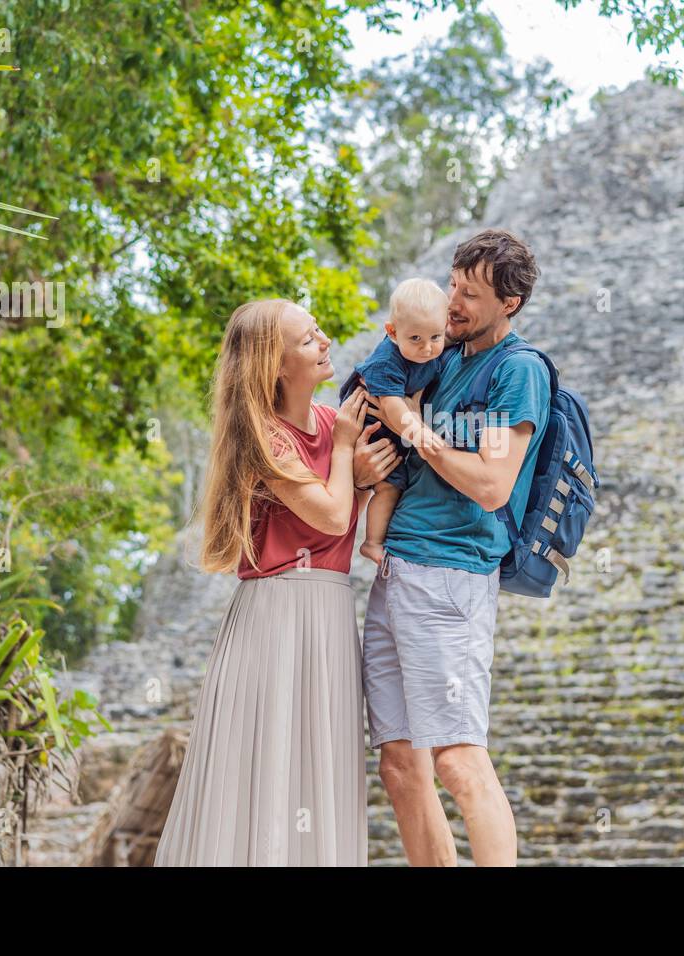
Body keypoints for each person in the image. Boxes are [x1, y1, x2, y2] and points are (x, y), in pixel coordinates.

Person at [153, 298, 400, 866]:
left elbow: (344, 510)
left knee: (319, 762)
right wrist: (344, 453)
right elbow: (335, 518)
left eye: (319, 332)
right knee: (266, 762)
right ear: (276, 364)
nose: (326, 342)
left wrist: (358, 481)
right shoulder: (265, 437)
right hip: (278, 612)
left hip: (330, 610)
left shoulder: (324, 421)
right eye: (309, 339)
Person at [359, 229, 552, 867]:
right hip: (399, 570)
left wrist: (416, 434)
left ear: (511, 304)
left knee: (458, 761)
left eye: (470, 295)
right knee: (398, 765)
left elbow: (494, 485)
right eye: (453, 286)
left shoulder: (516, 371)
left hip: (451, 578)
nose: (453, 303)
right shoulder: (443, 358)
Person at [337, 276, 456, 566]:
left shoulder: (431, 343)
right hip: (373, 429)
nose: (427, 348)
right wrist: (416, 429)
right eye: (415, 338)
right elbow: (391, 407)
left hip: (397, 430)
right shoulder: (386, 362)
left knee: (397, 485)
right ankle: (372, 543)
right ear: (392, 332)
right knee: (388, 488)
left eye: (436, 337)